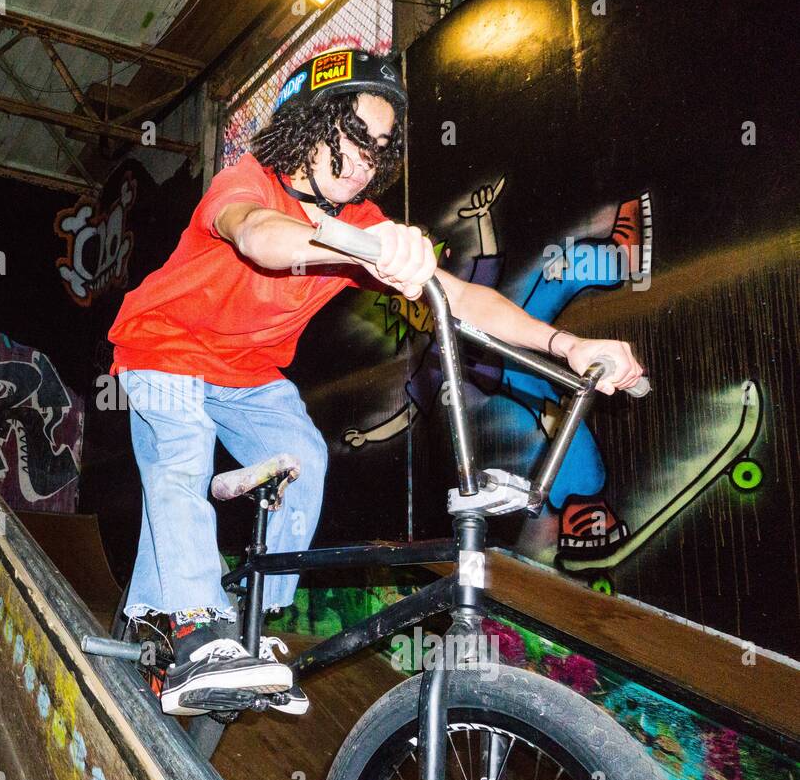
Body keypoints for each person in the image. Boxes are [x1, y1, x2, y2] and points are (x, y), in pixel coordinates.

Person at [106, 48, 644, 716]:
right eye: (355, 137)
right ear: (310, 125)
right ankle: (193, 628)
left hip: (247, 374)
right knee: (180, 455)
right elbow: (258, 237)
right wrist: (361, 250)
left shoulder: (364, 221)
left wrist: (569, 344)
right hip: (164, 349)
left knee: (303, 457)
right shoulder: (244, 182)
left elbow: (461, 299)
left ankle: (245, 621)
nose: (366, 161)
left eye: (380, 148)